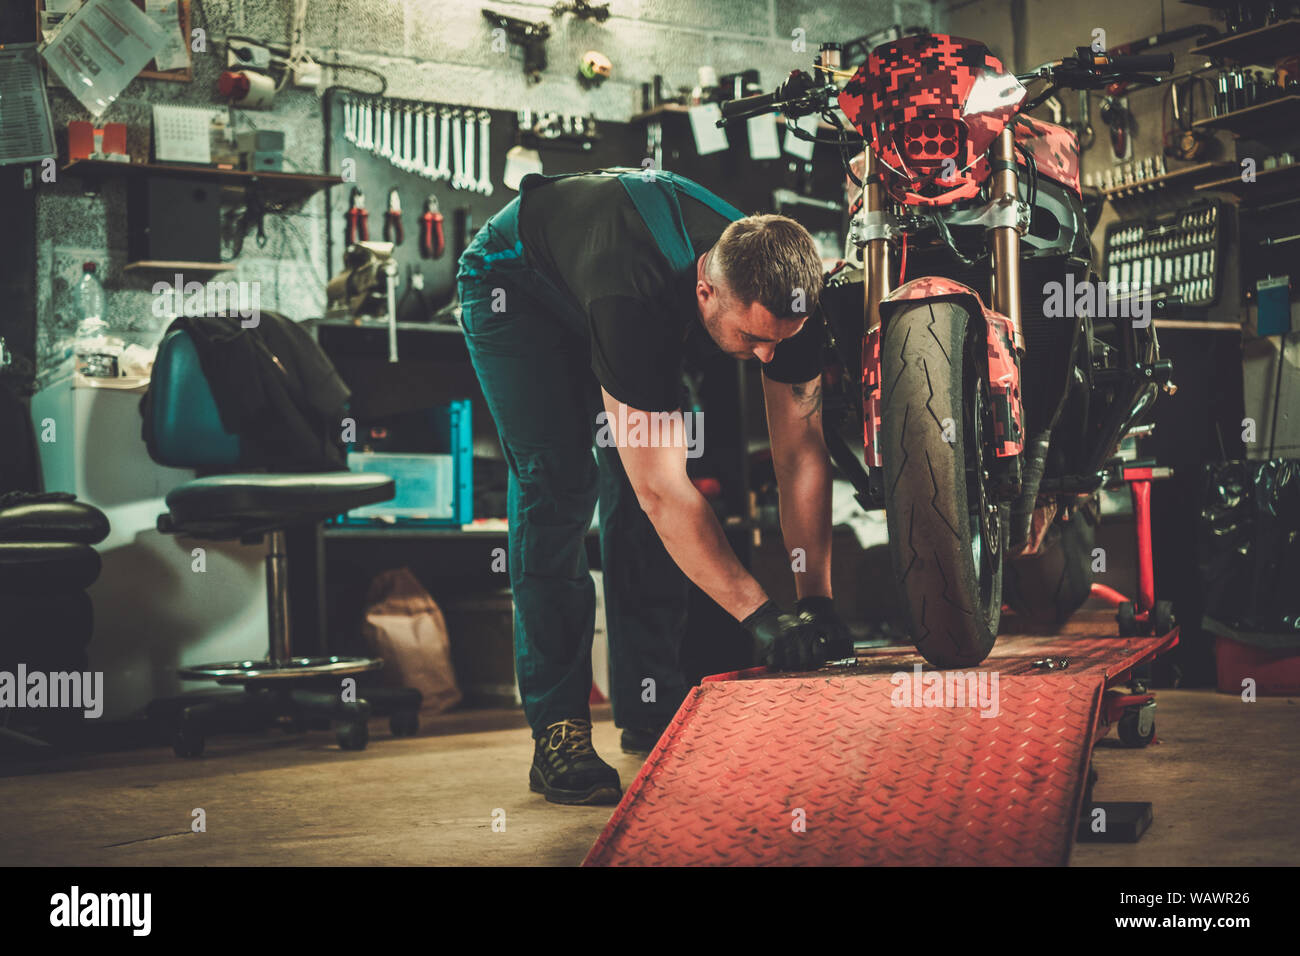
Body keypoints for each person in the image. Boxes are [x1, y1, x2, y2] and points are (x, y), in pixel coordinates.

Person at [456, 168, 852, 806]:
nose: (767, 358)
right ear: (704, 291)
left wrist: (816, 600)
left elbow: (800, 455)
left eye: (780, 341)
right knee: (559, 485)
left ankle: (648, 705)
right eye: (751, 340)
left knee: (647, 501)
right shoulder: (633, 296)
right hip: (518, 288)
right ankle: (560, 729)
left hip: (622, 283)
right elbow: (661, 490)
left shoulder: (787, 303)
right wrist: (761, 615)